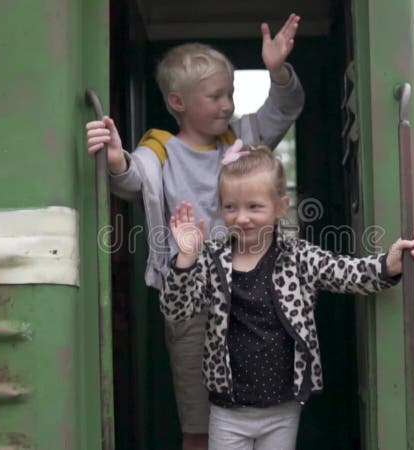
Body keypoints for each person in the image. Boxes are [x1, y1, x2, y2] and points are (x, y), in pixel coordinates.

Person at [85, 14, 304, 450]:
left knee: (255, 412)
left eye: (231, 94)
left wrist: (277, 70)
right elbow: (131, 180)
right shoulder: (160, 149)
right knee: (199, 423)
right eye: (215, 96)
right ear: (178, 102)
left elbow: (284, 109)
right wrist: (114, 159)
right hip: (192, 304)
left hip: (247, 299)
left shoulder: (239, 140)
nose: (227, 105)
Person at [161, 145, 414, 450]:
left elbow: (344, 272)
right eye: (231, 207)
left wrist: (385, 266)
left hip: (282, 408)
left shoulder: (297, 257)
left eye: (254, 207)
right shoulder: (212, 258)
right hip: (228, 409)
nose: (242, 218)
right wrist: (186, 258)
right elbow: (177, 309)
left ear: (280, 207)